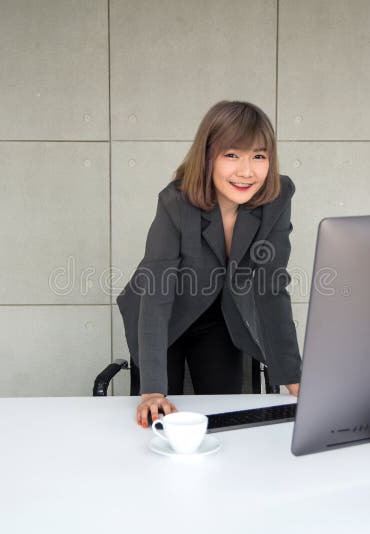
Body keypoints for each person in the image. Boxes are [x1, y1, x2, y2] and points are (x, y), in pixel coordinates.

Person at [116, 101, 302, 428]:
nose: (246, 171)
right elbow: (157, 295)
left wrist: (294, 377)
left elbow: (271, 286)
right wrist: (153, 392)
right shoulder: (176, 202)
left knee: (224, 413)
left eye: (258, 156)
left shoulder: (278, 196)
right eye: (232, 155)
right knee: (162, 418)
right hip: (162, 314)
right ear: (208, 156)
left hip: (219, 315)